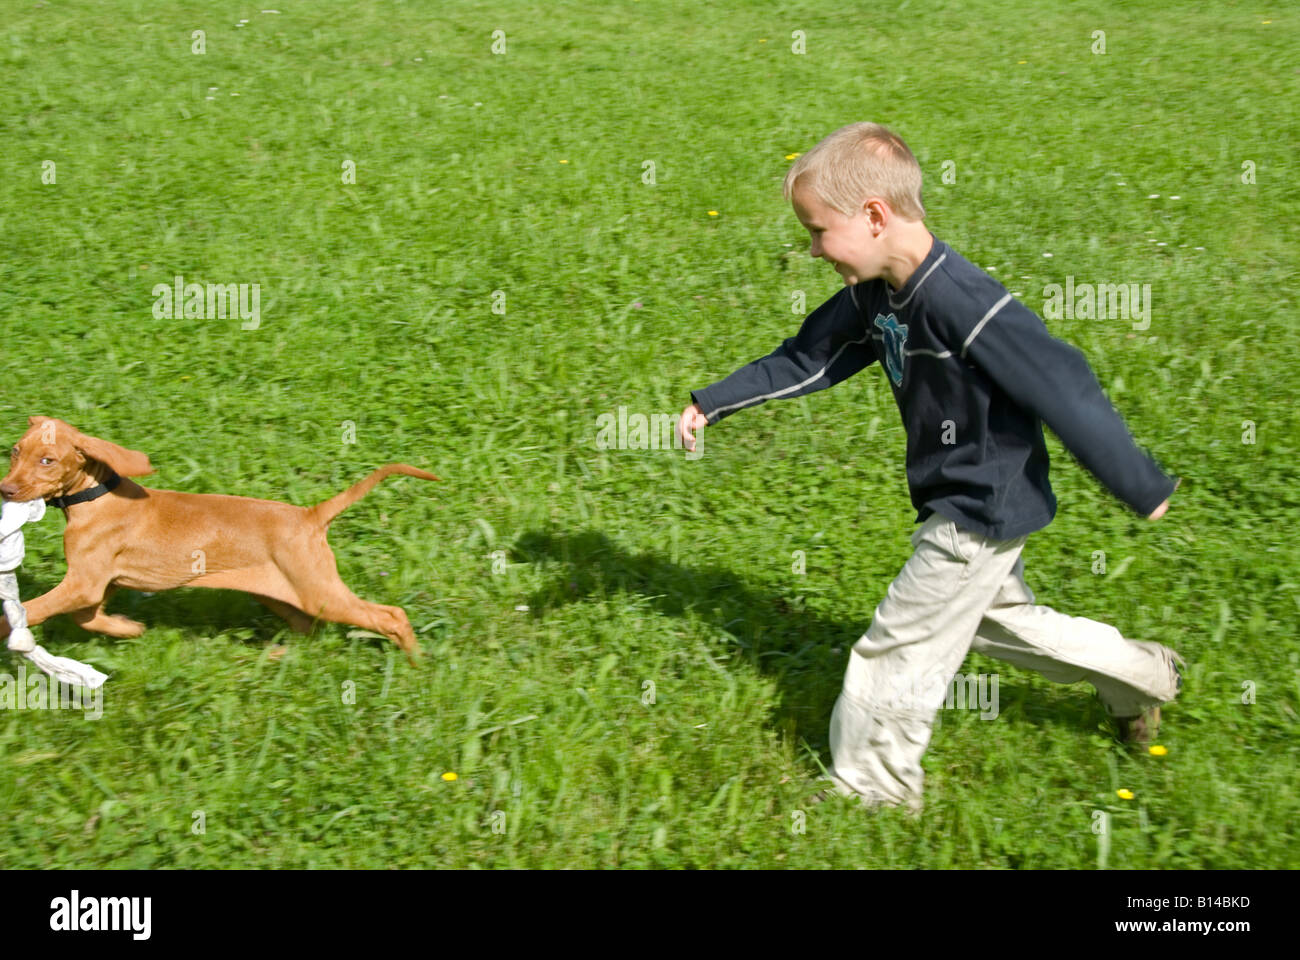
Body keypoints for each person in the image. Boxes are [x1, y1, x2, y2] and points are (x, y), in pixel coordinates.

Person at [677, 122, 1183, 812]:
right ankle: (1141, 676)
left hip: (980, 504)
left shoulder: (962, 301)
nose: (813, 248)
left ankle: (874, 791)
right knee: (1002, 624)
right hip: (956, 494)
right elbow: (811, 355)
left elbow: (1061, 382)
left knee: (901, 641)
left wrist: (1139, 482)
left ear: (875, 216)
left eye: (819, 231)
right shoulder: (876, 293)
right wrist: (715, 402)